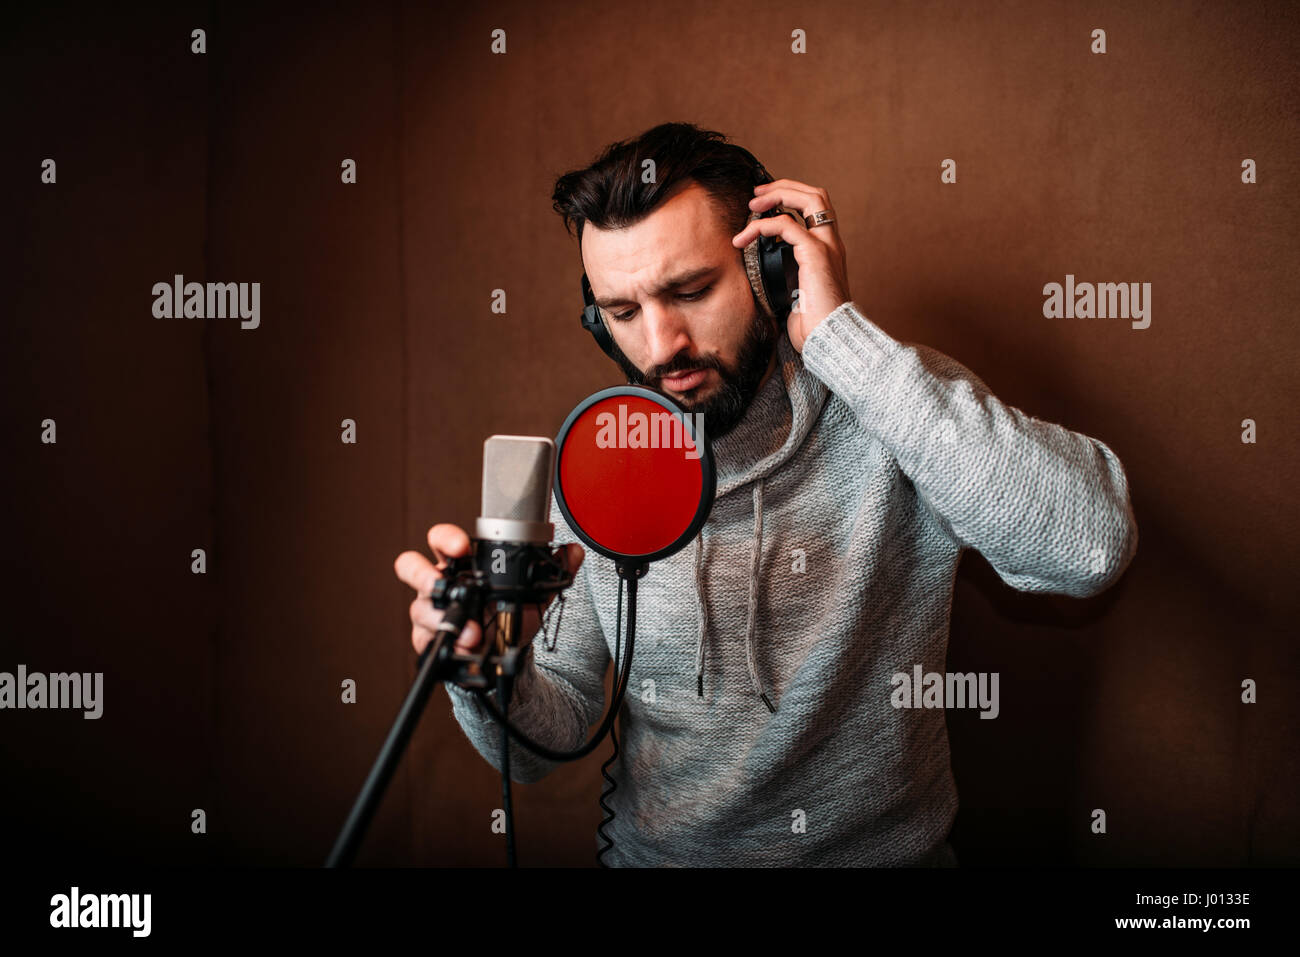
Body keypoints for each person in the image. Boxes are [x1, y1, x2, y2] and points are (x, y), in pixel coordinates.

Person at [393, 122, 1138, 866]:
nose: (660, 348)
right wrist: (486, 667)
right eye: (622, 313)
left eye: (690, 290)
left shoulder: (899, 406)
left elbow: (1089, 548)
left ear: (772, 269)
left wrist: (843, 340)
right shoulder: (601, 465)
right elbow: (543, 739)